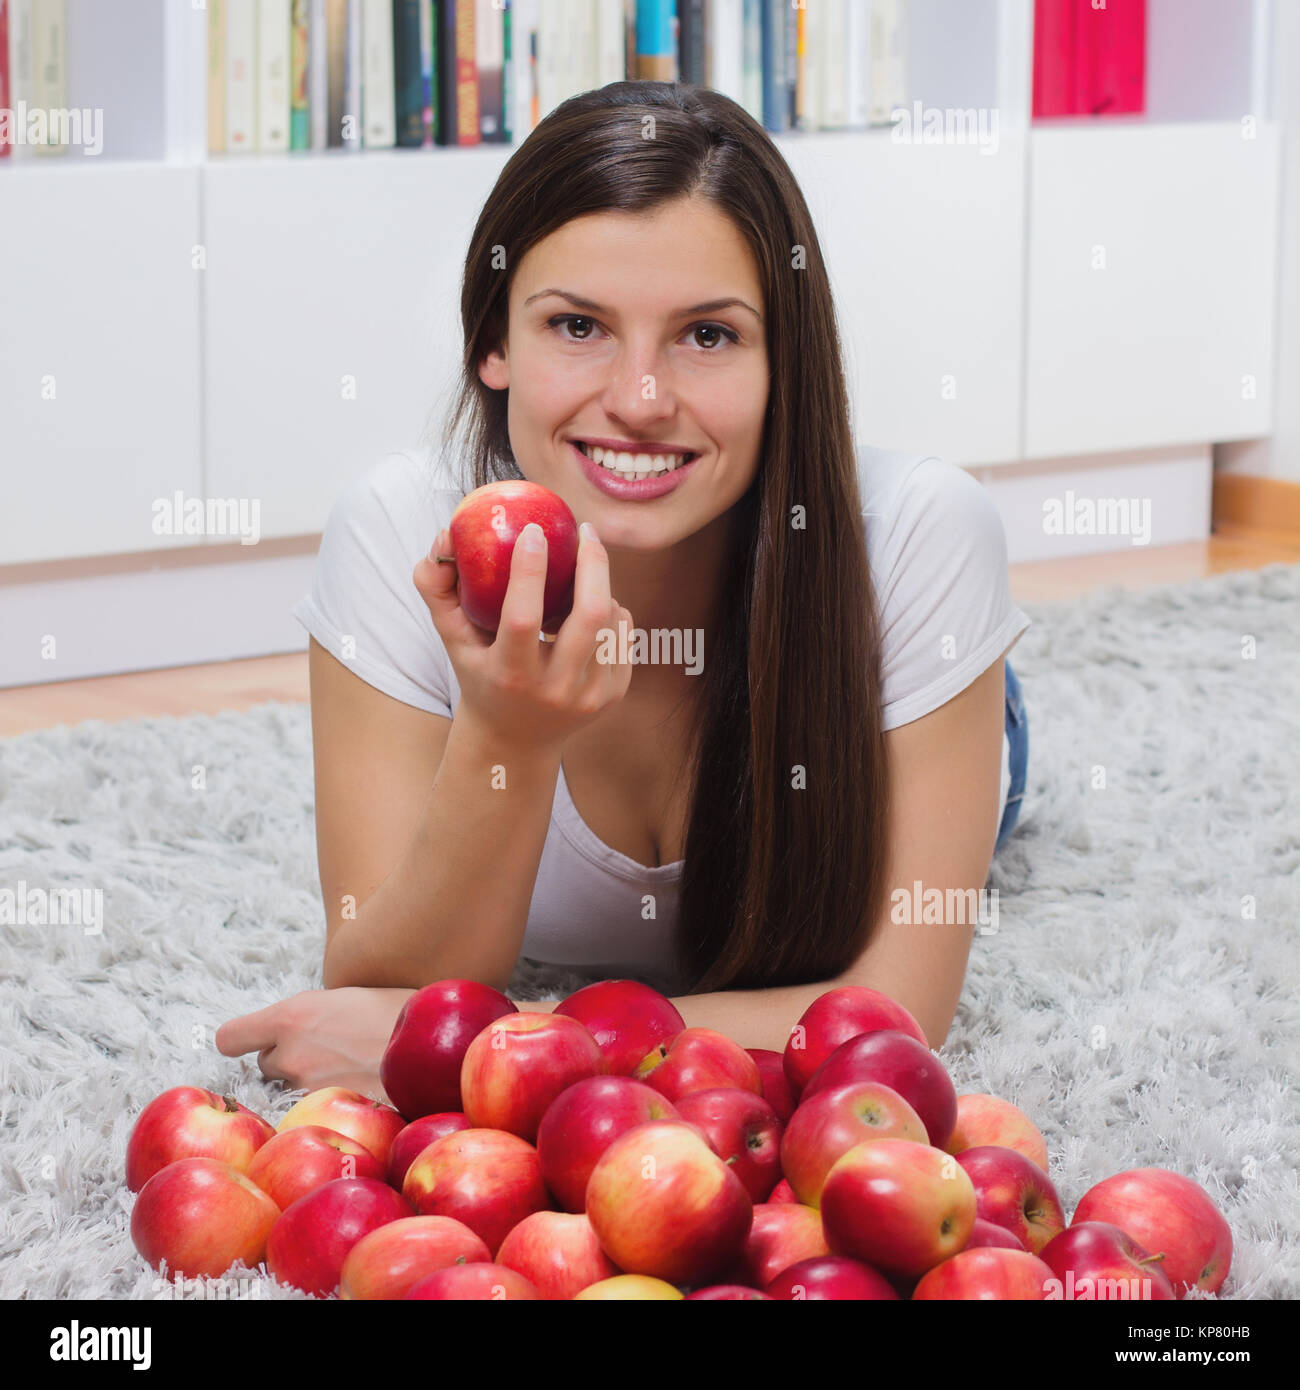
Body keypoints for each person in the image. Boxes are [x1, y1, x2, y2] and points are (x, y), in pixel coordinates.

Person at [216, 81, 1030, 1099]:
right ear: (493, 344)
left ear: (787, 361)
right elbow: (386, 985)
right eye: (576, 325)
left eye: (707, 336)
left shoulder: (918, 534)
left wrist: (512, 1041)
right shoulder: (395, 530)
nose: (641, 401)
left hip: (892, 680)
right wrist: (507, 734)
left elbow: (893, 1015)